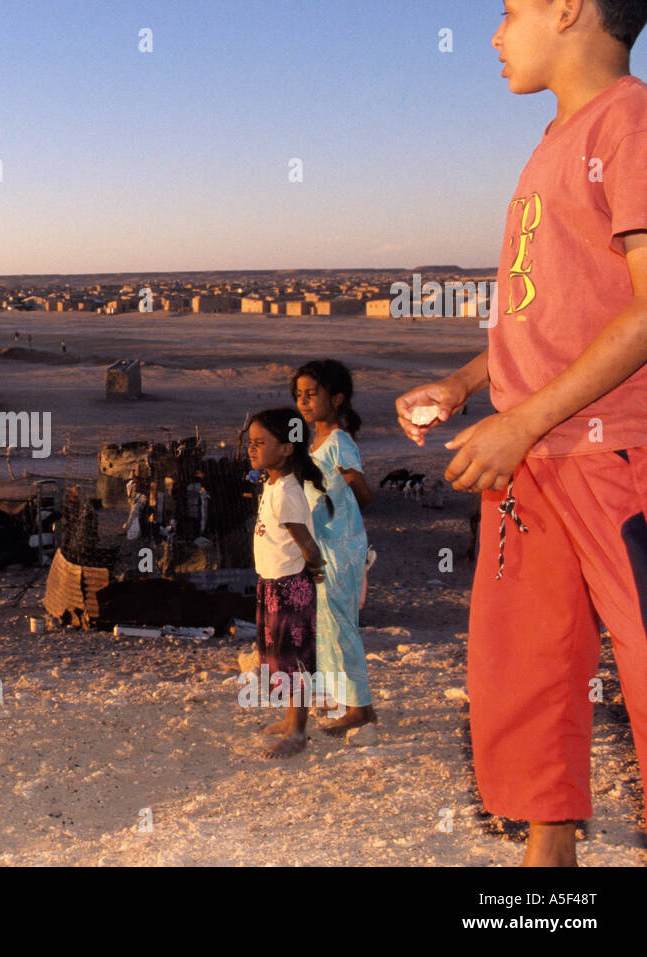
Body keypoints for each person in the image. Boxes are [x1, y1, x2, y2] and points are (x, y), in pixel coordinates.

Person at [396, 0, 647, 866]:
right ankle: (549, 868)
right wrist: (468, 385)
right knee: (530, 665)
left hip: (614, 454)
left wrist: (523, 421)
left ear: (570, 8)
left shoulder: (631, 125)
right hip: (533, 456)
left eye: (509, 11)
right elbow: (539, 310)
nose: (496, 35)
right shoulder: (547, 147)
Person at [292, 359, 375, 734]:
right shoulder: (315, 441)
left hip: (341, 545)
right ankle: (339, 698)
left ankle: (361, 708)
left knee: (342, 626)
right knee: (324, 624)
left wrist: (343, 484)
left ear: (337, 399)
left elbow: (363, 494)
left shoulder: (339, 442)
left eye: (313, 394)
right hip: (323, 543)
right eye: (299, 395)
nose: (304, 402)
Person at [245, 408, 331, 759]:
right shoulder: (272, 483)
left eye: (260, 443)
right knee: (282, 658)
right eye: (250, 443)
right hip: (272, 585)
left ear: (286, 448)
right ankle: (289, 720)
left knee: (297, 662)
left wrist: (316, 568)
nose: (252, 449)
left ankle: (297, 732)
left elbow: (305, 541)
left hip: (289, 589)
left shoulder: (288, 492)